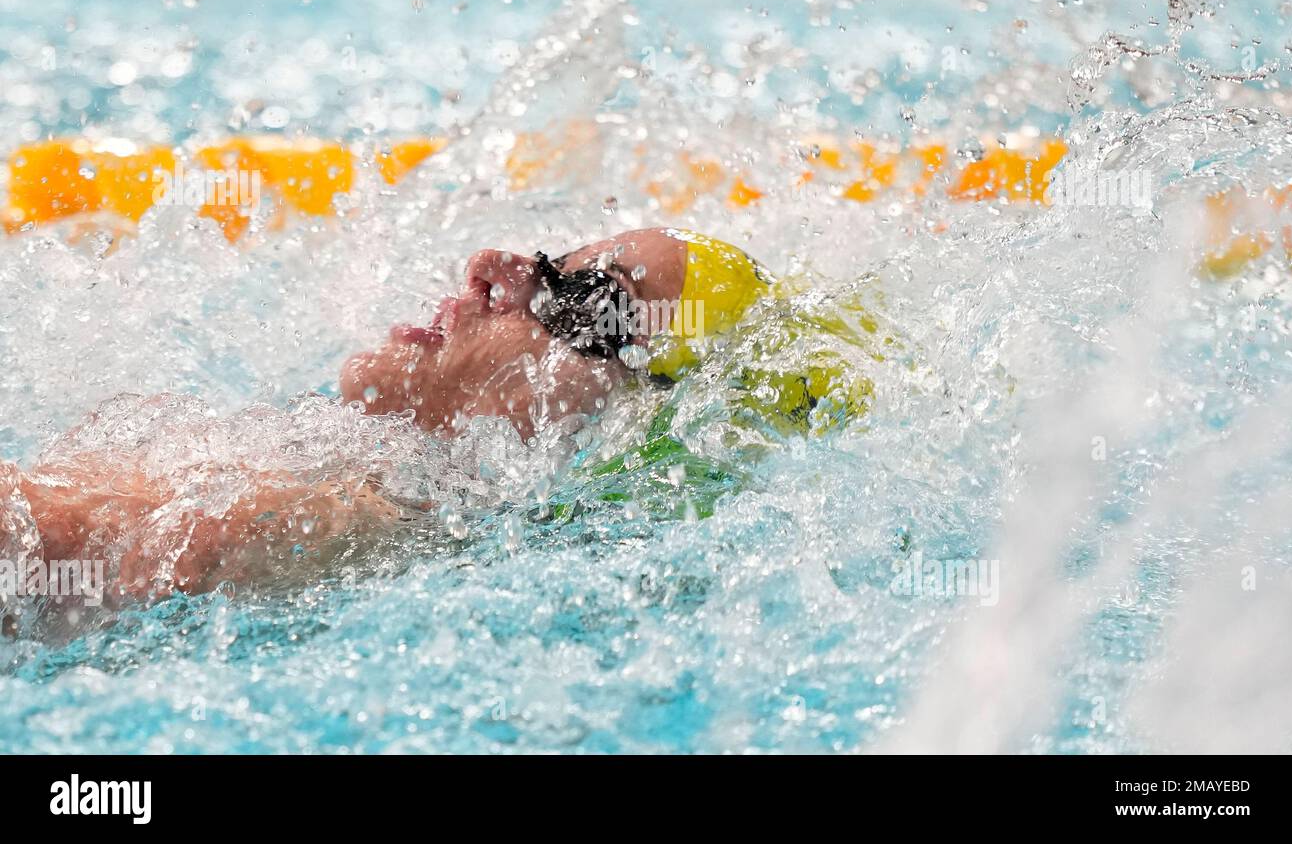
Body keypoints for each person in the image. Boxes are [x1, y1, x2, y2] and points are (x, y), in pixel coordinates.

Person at [1, 228, 789, 631]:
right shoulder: (352, 479)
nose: (494, 270)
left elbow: (36, 548)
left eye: (580, 295)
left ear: (606, 420)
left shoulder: (334, 513)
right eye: (552, 255)